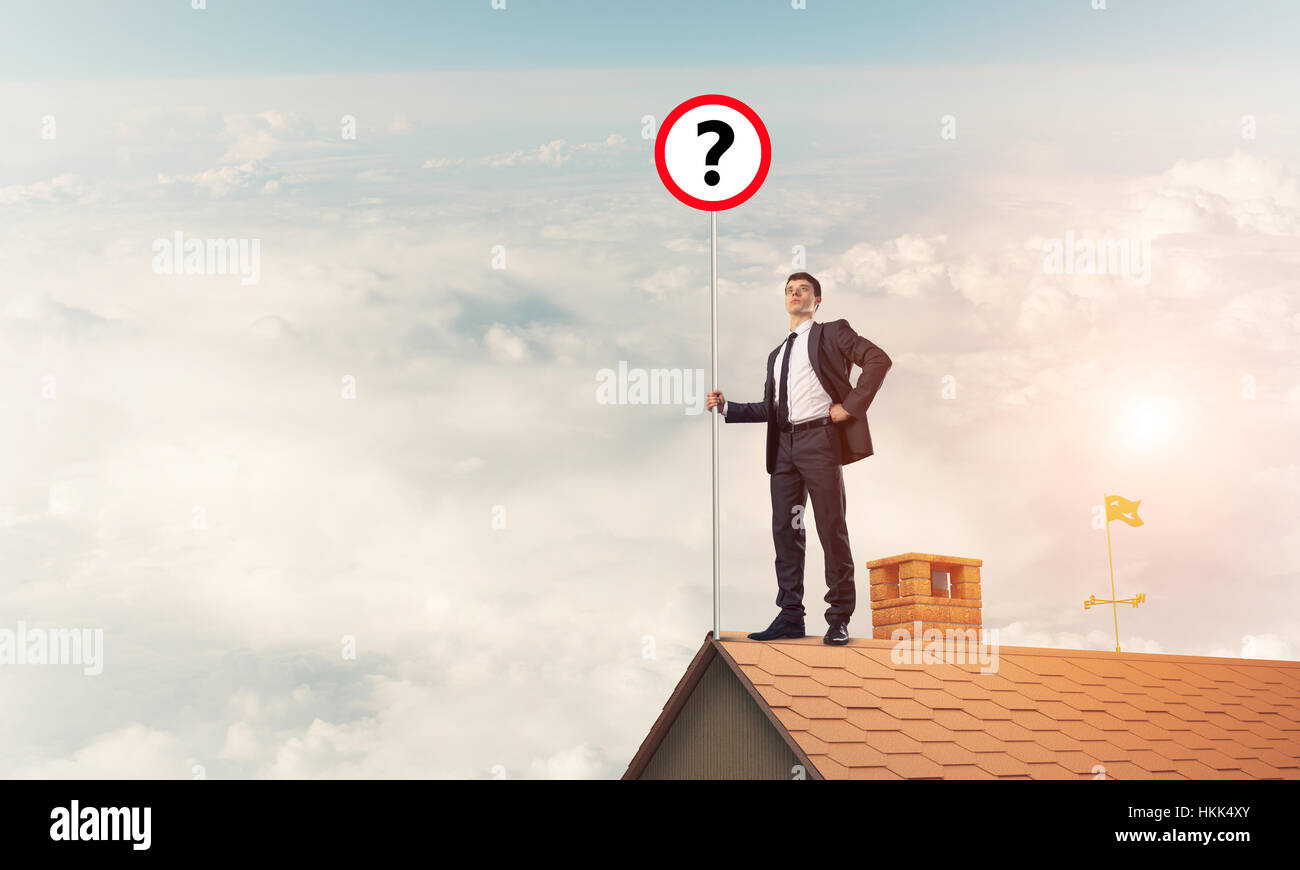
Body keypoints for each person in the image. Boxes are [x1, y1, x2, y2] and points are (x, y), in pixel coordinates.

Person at [706, 272, 892, 645]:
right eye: (790, 290)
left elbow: (877, 359)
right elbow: (772, 408)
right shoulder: (777, 355)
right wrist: (729, 408)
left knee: (830, 528)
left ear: (817, 300)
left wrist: (851, 407)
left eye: (803, 289)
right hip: (785, 450)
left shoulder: (833, 333)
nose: (795, 294)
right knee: (787, 532)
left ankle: (838, 618)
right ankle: (790, 615)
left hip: (820, 441)